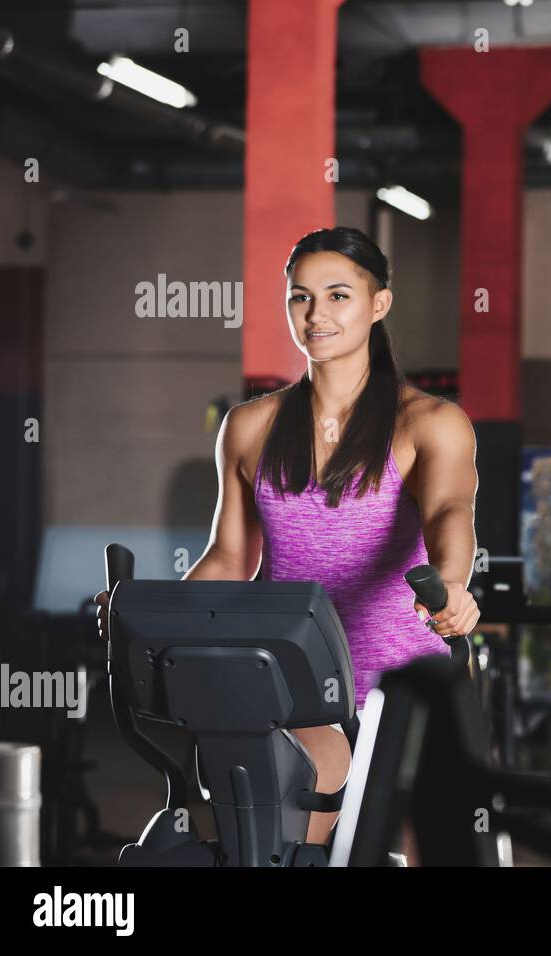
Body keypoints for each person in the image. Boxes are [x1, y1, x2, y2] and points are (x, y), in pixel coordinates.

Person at [96, 226, 480, 852]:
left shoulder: (429, 423)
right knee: (273, 842)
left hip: (398, 687)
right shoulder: (250, 426)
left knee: (400, 848)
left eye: (337, 295)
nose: (316, 314)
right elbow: (228, 558)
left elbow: (449, 511)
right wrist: (149, 614)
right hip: (287, 683)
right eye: (301, 297)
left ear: (378, 304)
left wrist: (453, 583)